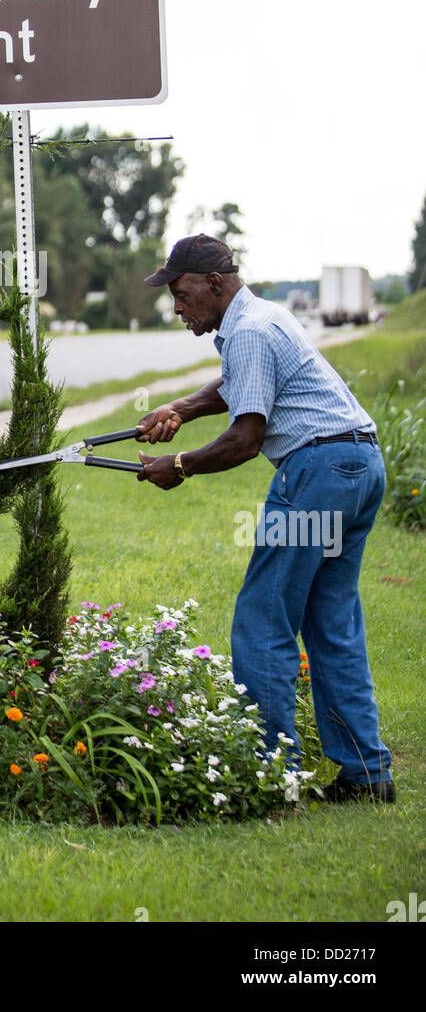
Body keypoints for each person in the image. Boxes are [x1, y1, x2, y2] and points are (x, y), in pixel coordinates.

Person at [135, 234, 394, 802]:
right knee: (330, 622)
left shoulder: (247, 330)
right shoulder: (261, 318)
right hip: (359, 464)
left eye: (181, 293)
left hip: (318, 473)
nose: (177, 307)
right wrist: (178, 409)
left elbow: (246, 440)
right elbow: (236, 387)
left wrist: (178, 464)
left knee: (264, 616)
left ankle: (273, 776)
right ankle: (366, 775)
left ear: (214, 284)